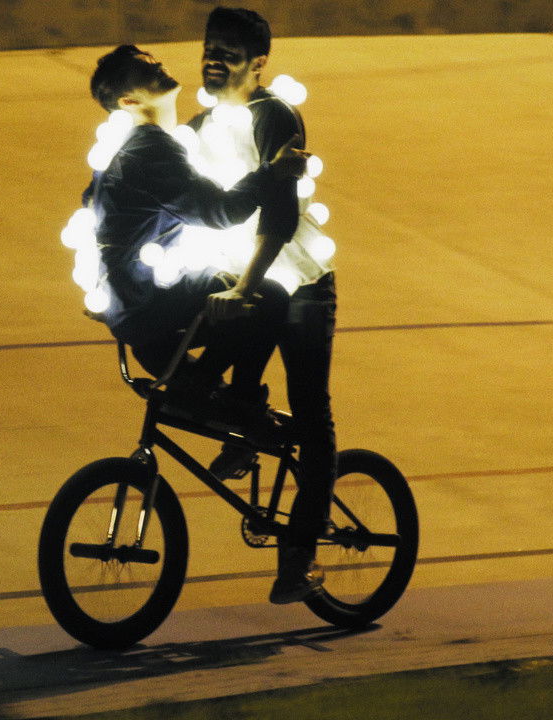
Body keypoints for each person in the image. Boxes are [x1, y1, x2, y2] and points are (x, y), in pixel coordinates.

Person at [187, 6, 339, 605]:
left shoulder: (273, 117)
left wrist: (244, 288)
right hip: (248, 283)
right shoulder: (199, 126)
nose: (213, 58)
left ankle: (300, 555)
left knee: (310, 413)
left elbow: (276, 220)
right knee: (210, 378)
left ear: (258, 63)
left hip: (298, 284)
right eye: (208, 46)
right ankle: (247, 428)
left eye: (228, 50)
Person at [83, 45, 308, 431]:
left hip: (129, 307)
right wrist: (273, 172)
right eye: (144, 69)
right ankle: (230, 401)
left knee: (231, 289)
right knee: (267, 297)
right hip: (149, 305)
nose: (158, 65)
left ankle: (223, 404)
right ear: (128, 100)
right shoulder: (152, 149)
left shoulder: (126, 150)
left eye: (155, 60)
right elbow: (221, 212)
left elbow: (91, 208)